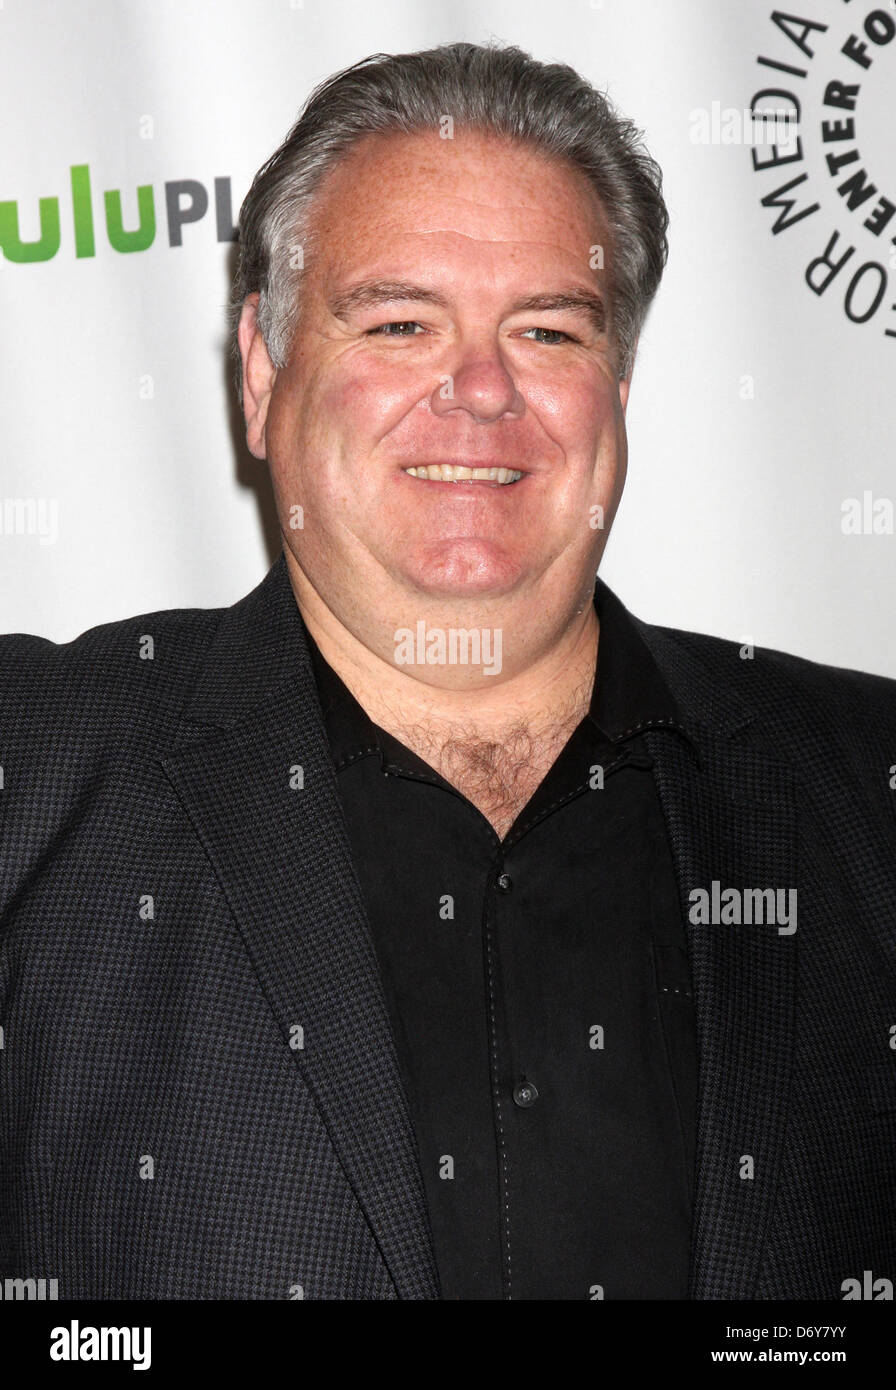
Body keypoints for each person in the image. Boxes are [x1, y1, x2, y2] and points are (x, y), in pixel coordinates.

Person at [1, 42, 894, 1302]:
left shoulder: (866, 783)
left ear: (618, 388)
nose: (480, 392)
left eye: (545, 328)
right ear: (259, 374)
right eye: (399, 322)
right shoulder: (31, 773)